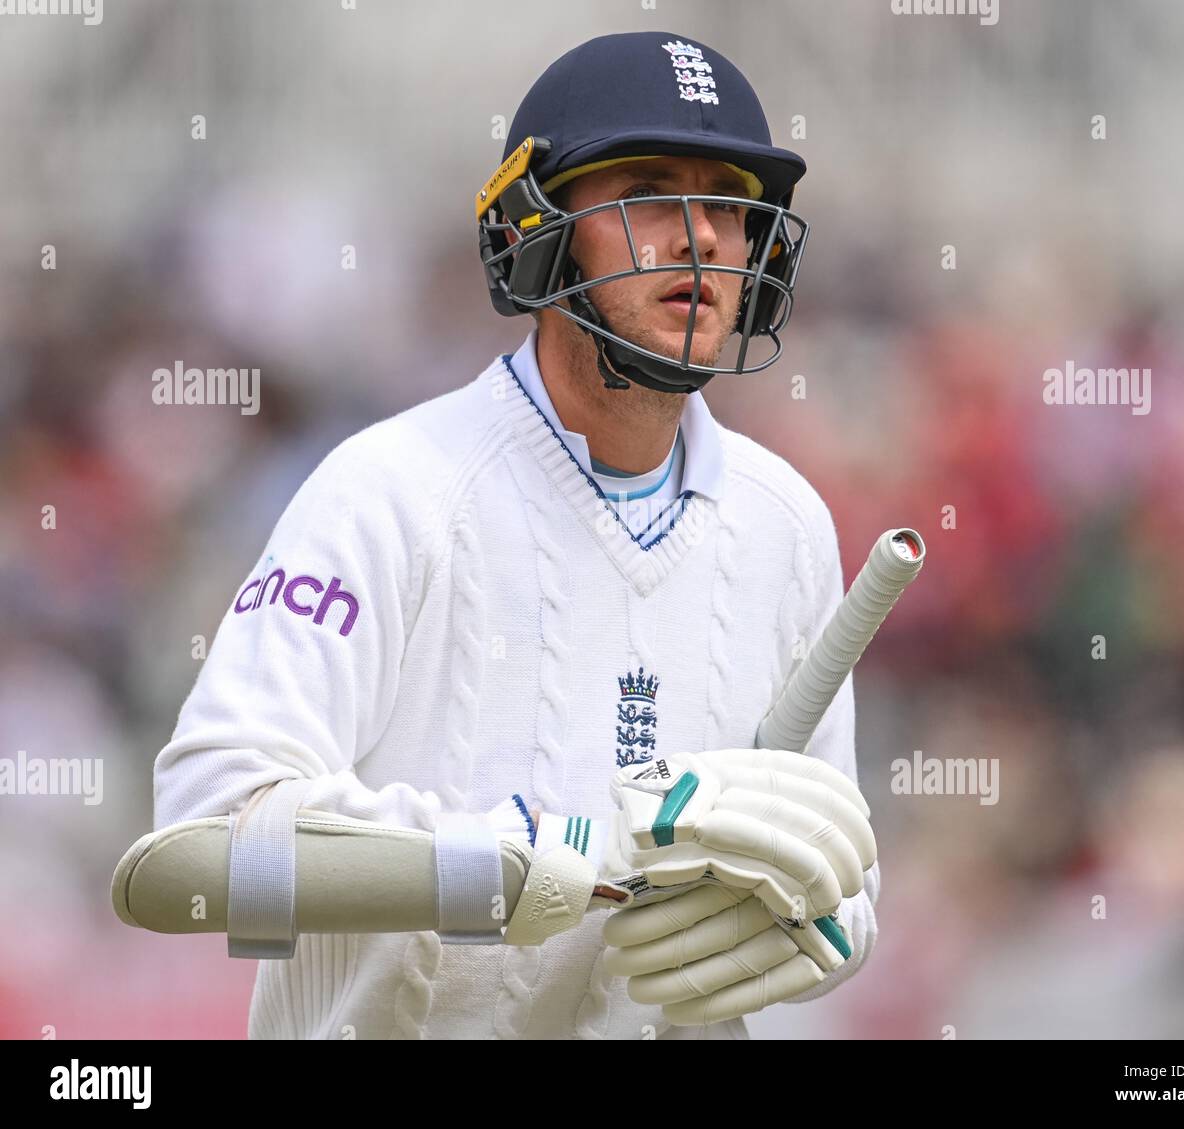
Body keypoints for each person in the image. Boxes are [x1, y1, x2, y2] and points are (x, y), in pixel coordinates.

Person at [152, 30, 880, 1040]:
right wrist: (495, 862)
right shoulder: (391, 489)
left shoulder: (787, 522)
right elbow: (200, 848)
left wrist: (823, 921)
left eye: (726, 201)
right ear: (534, 231)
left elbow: (833, 866)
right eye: (651, 192)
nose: (703, 236)